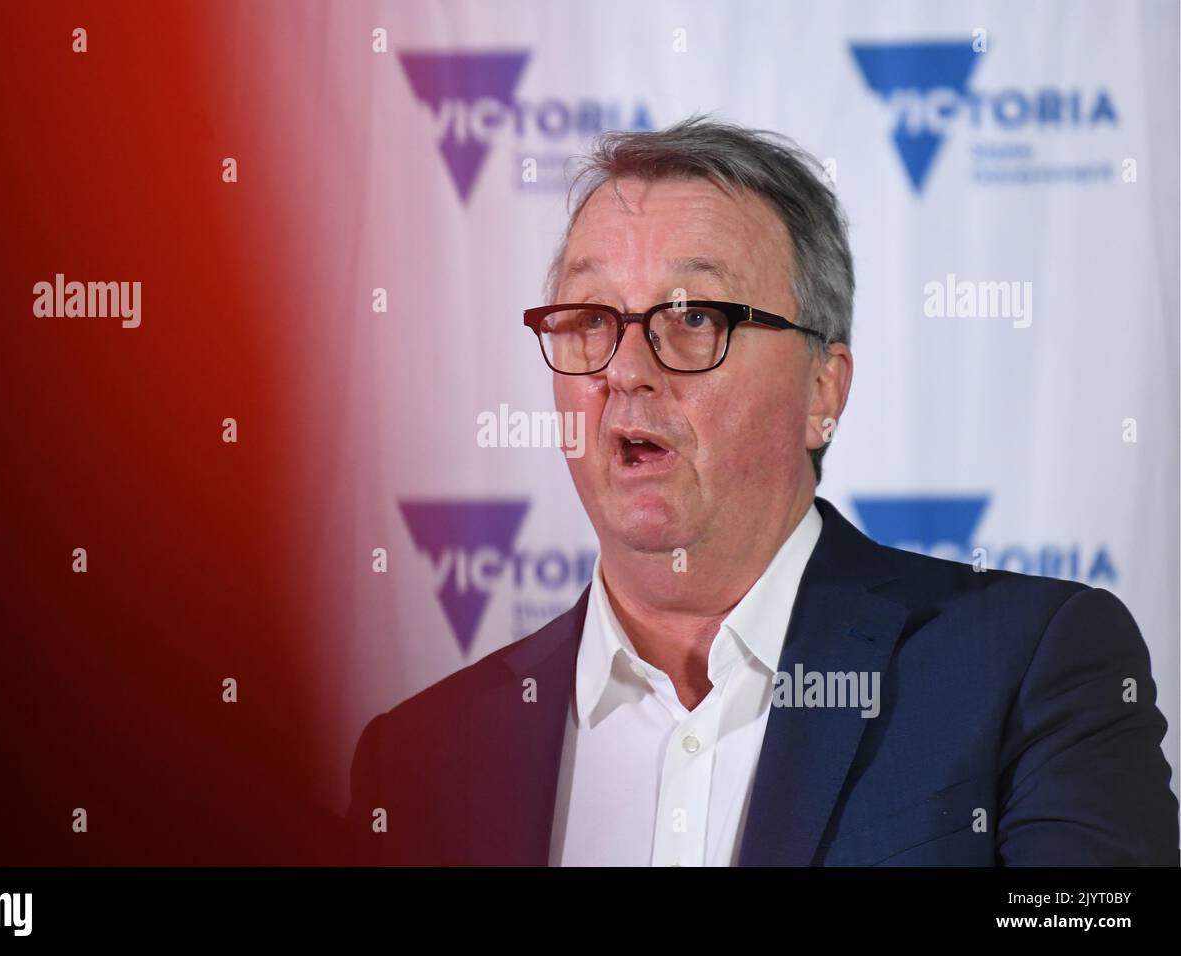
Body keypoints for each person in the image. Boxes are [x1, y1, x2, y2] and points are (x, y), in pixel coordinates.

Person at [344, 114, 1178, 866]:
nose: (626, 372)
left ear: (824, 388)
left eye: (695, 317)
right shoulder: (421, 758)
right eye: (592, 318)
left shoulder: (1030, 669)